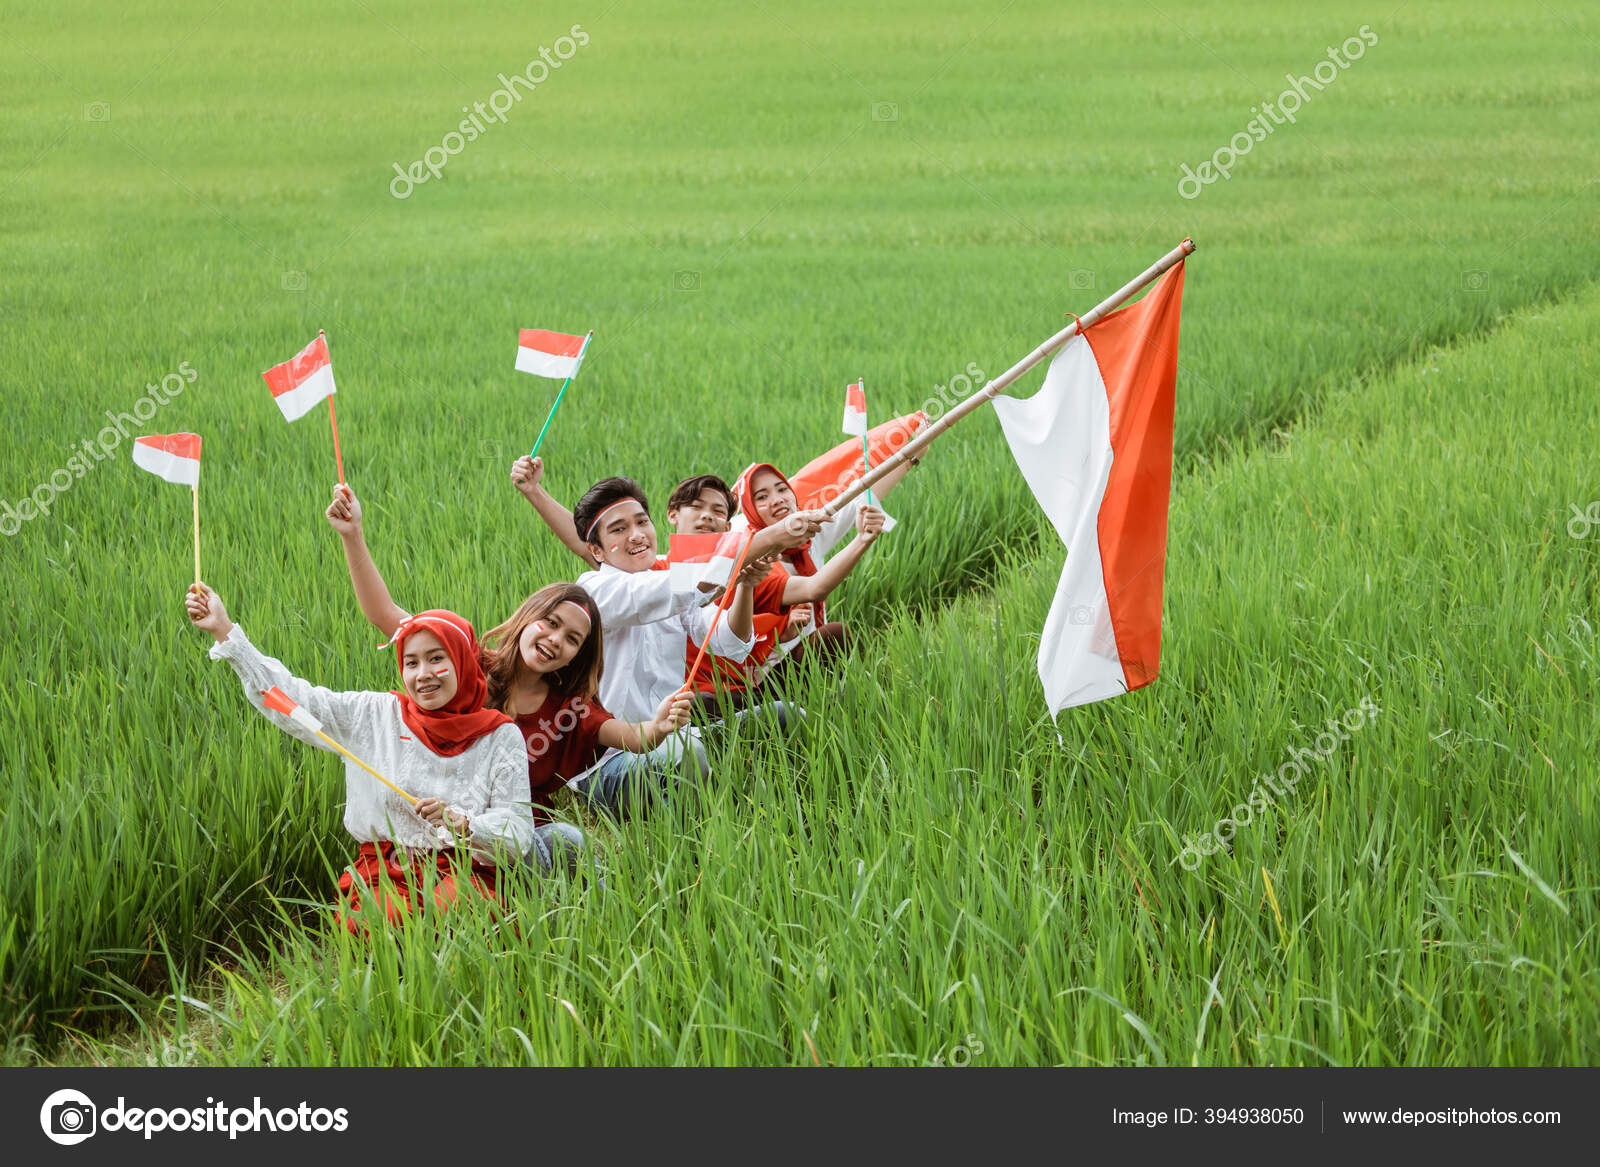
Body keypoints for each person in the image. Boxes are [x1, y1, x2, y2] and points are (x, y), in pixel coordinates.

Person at [325, 485, 694, 827]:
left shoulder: (568, 710)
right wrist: (352, 535)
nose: (554, 640)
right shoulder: (472, 667)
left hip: (504, 831)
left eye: (572, 639)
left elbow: (629, 736)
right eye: (549, 623)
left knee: (569, 842)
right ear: (525, 619)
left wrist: (659, 726)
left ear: (576, 657)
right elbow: (385, 614)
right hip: (436, 815)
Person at [185, 583, 533, 933]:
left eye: (437, 658)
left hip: (466, 871)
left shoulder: (500, 736)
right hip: (387, 871)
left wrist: (464, 824)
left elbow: (519, 830)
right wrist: (224, 631)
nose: (422, 674)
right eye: (411, 662)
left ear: (462, 659)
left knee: (457, 912)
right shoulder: (375, 714)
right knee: (376, 925)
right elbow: (291, 701)